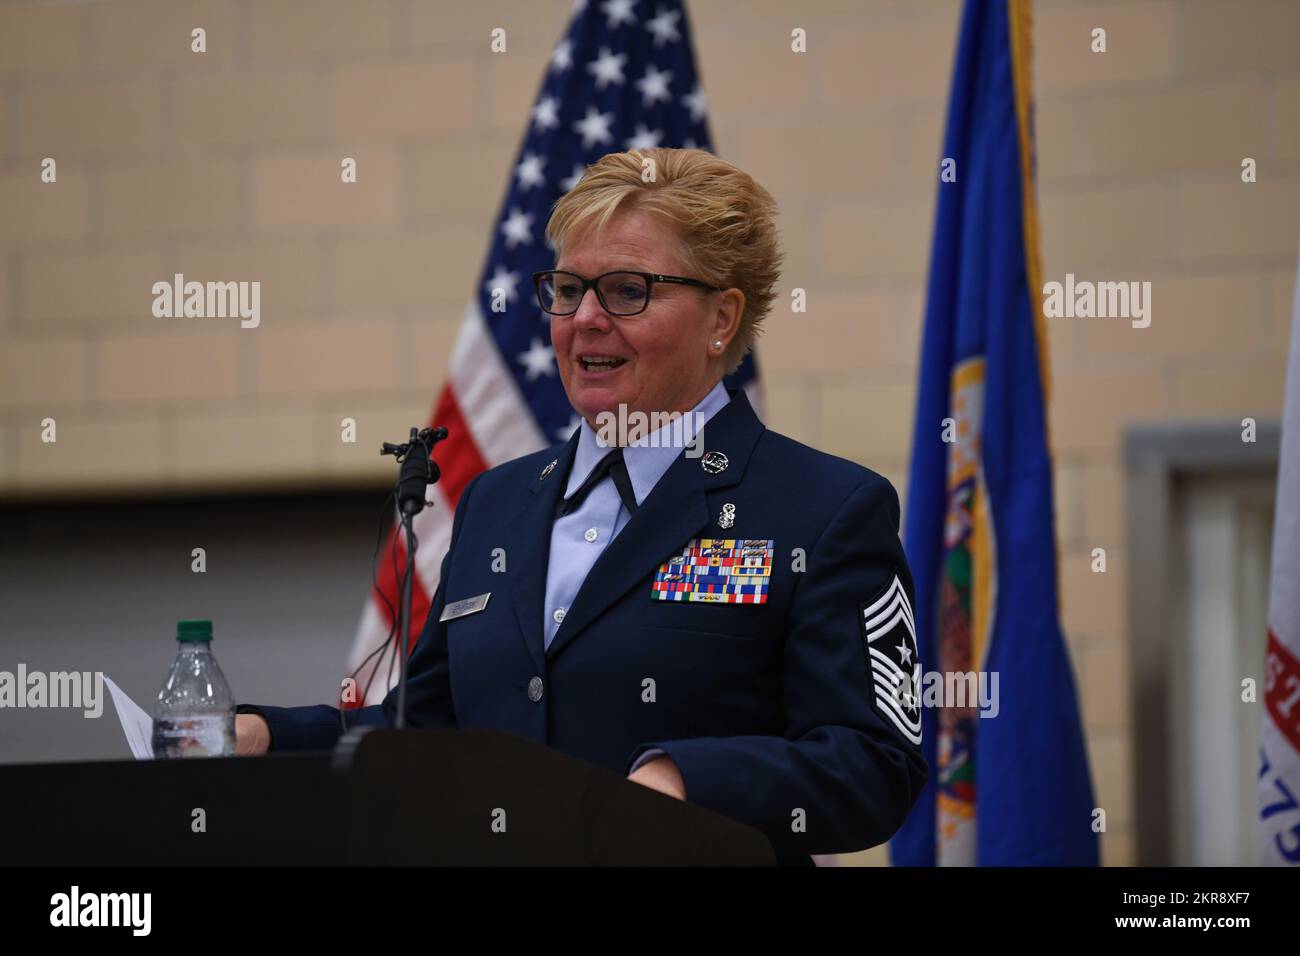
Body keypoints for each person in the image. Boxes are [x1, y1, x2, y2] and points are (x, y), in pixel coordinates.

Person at [236, 147, 927, 860]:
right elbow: (431, 732)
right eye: (568, 290)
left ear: (722, 316)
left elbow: (875, 764)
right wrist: (274, 736)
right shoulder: (497, 502)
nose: (586, 319)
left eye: (627, 290)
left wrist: (686, 777)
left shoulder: (822, 509)